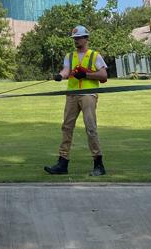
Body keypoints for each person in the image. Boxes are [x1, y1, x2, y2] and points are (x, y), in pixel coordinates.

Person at [45, 25, 109, 176]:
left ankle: (99, 165)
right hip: (72, 95)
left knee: (90, 128)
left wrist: (86, 75)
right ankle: (62, 164)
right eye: (74, 38)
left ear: (86, 38)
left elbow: (104, 75)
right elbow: (66, 71)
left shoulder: (95, 56)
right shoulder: (70, 56)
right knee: (66, 127)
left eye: (78, 38)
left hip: (88, 95)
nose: (76, 41)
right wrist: (60, 76)